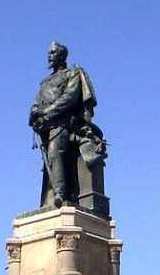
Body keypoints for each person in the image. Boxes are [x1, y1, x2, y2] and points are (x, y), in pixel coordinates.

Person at [29, 41, 105, 208]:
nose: (49, 56)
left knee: (55, 151)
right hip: (46, 127)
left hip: (65, 124)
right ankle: (50, 198)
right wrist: (34, 114)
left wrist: (46, 112)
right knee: (49, 161)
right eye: (48, 53)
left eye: (53, 53)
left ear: (62, 56)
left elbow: (69, 97)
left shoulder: (72, 73)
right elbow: (36, 103)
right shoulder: (44, 82)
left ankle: (60, 194)